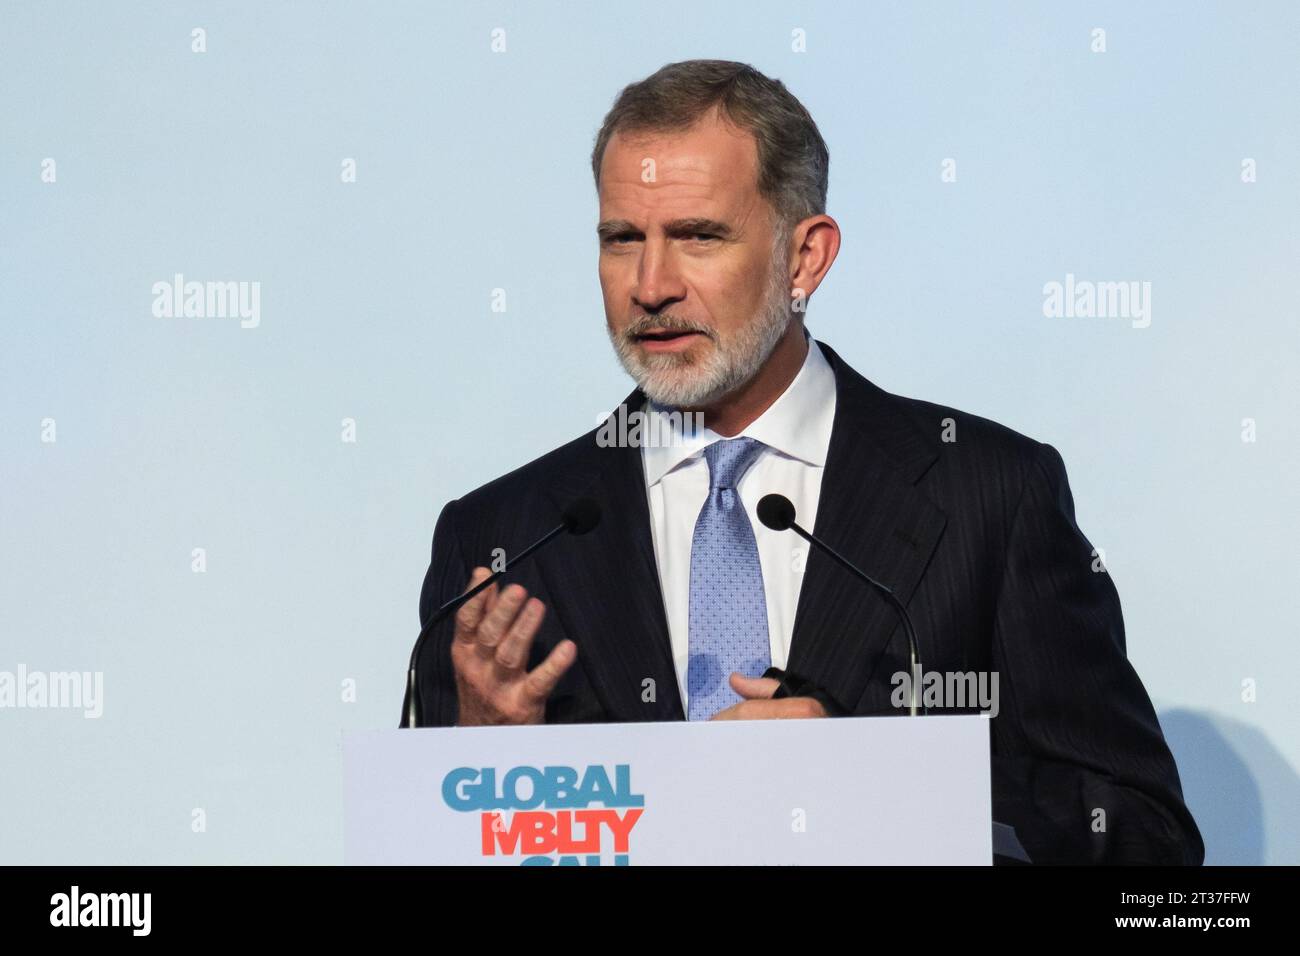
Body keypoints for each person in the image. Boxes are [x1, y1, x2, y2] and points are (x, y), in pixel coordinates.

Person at [401, 59, 1203, 865]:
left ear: (805, 258)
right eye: (621, 240)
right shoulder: (503, 537)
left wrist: (880, 778)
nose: (649, 286)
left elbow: (1149, 849)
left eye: (697, 236)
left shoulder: (989, 497)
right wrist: (482, 760)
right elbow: (421, 848)